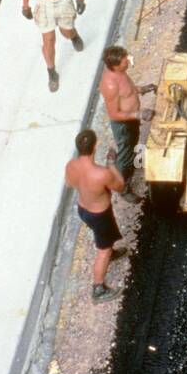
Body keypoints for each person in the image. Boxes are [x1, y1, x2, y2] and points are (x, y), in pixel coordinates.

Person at [64, 129, 127, 303]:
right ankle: (98, 288)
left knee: (104, 239)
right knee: (103, 250)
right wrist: (111, 164)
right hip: (100, 216)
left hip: (83, 209)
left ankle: (110, 252)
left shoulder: (70, 165)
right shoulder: (102, 173)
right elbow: (120, 186)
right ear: (96, 145)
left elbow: (69, 183)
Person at [100, 46, 156, 202]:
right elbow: (114, 114)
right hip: (123, 125)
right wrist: (139, 114)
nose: (129, 62)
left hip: (131, 121)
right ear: (116, 65)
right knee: (125, 156)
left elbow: (128, 90)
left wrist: (141, 89)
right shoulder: (110, 84)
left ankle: (124, 162)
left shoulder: (120, 72)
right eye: (125, 61)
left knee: (131, 147)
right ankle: (123, 188)